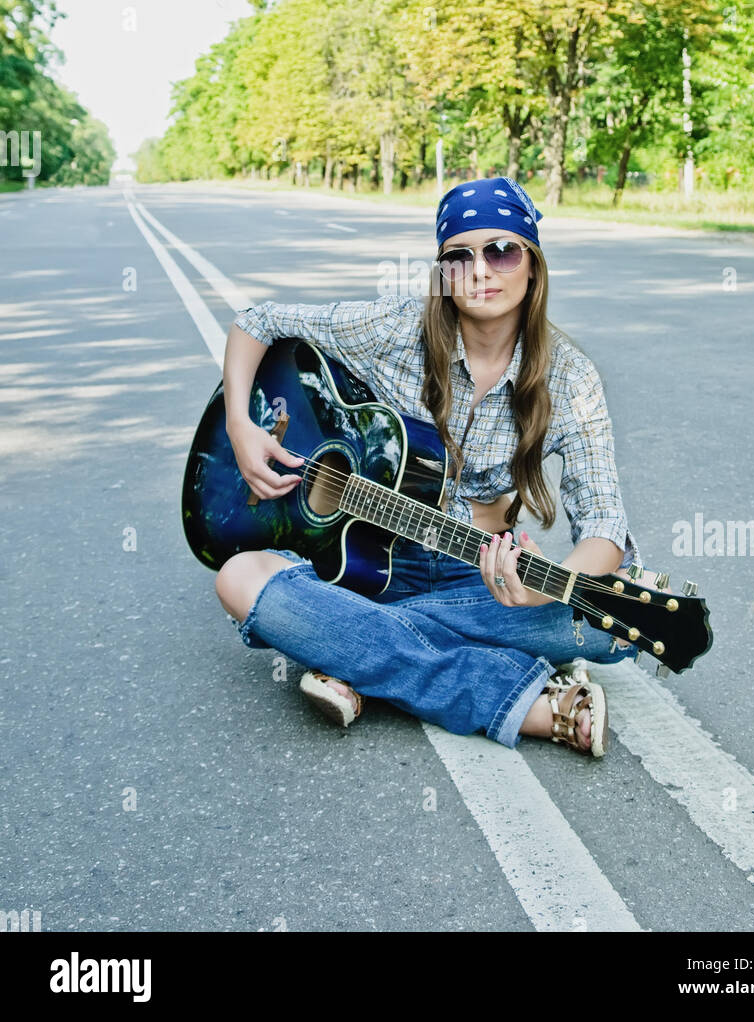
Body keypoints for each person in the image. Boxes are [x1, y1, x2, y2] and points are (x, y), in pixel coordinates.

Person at [214, 176, 645, 757]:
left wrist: (543, 591)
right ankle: (535, 709)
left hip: (479, 571)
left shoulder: (570, 378)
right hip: (360, 561)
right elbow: (257, 322)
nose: (481, 270)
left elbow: (604, 524)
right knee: (237, 578)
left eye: (501, 250)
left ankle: (349, 648)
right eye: (458, 256)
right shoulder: (394, 330)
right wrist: (242, 425)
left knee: (617, 621)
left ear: (533, 264)